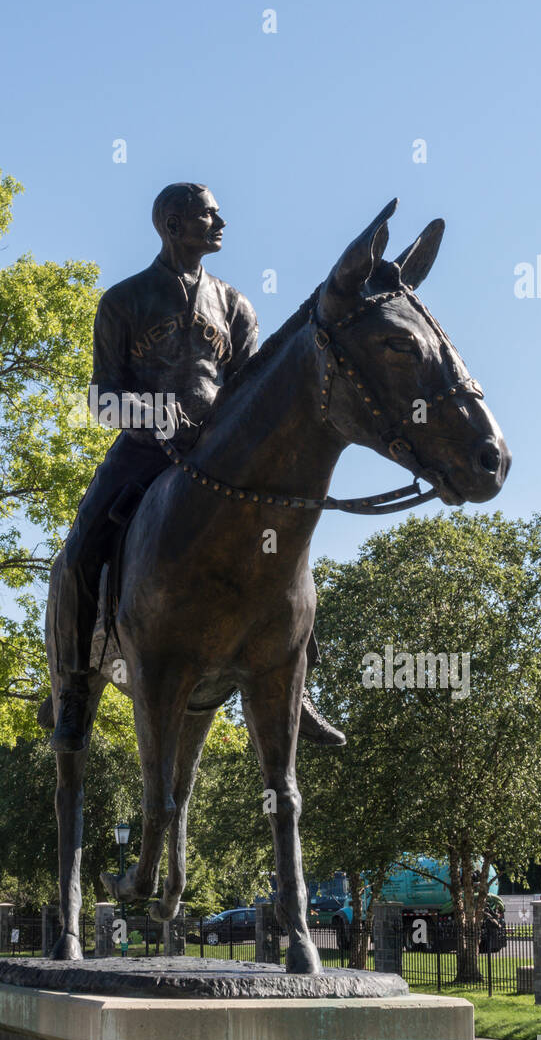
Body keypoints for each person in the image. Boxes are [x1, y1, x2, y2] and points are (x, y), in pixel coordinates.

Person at [51, 182, 343, 753]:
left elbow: (251, 394)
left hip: (219, 461)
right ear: (173, 223)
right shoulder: (124, 300)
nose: (221, 222)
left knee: (288, 549)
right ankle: (75, 693)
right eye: (209, 214)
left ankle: (299, 687)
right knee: (81, 550)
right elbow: (103, 399)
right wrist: (163, 416)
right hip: (142, 453)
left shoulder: (236, 305)